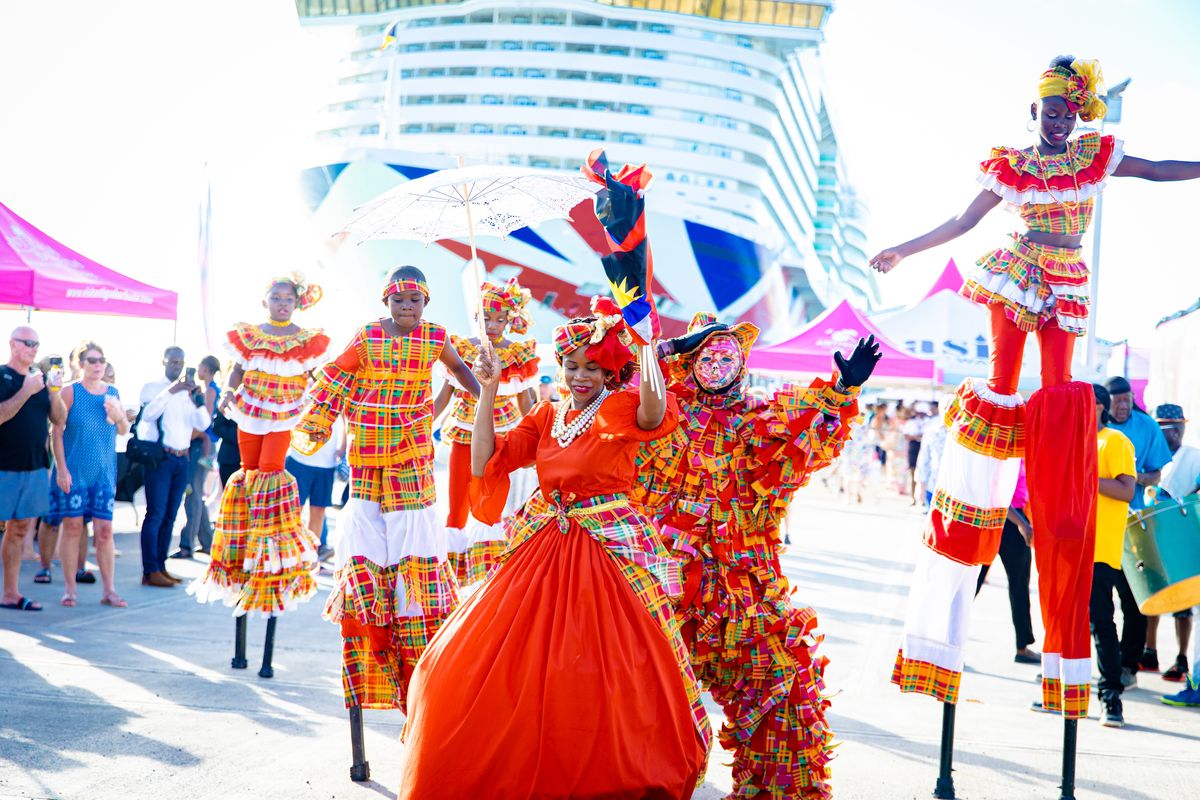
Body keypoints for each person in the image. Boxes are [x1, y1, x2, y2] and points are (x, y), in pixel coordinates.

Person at [873, 56, 1200, 719]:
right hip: (1019, 268)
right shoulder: (1011, 166)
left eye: (1065, 113)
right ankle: (990, 441)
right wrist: (904, 251)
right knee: (1000, 382)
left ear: (1076, 115)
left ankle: (1047, 455)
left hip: (1066, 275)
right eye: (1047, 112)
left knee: (1058, 389)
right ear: (1033, 113)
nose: (1055, 122)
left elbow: (1161, 170)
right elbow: (962, 224)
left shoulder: (1094, 157)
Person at [399, 299, 711, 799]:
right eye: (571, 366)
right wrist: (488, 389)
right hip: (543, 541)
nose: (580, 375)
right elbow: (489, 460)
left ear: (612, 370)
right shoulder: (548, 413)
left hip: (608, 548)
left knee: (598, 672)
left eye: (592, 367)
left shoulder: (622, 406)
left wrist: (648, 343)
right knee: (470, 661)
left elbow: (655, 412)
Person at [632, 312, 880, 799]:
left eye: (728, 355)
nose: (717, 364)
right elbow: (610, 375)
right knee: (635, 687)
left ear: (743, 364)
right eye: (706, 354)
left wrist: (841, 390)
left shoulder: (761, 416)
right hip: (665, 584)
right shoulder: (661, 411)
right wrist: (672, 345)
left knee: (782, 682)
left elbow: (813, 436)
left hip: (743, 589)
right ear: (690, 360)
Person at [292, 265, 479, 711]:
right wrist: (317, 424)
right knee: (368, 536)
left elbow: (462, 374)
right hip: (369, 447)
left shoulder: (437, 337)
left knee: (414, 535)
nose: (407, 308)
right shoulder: (367, 336)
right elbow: (335, 379)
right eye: (399, 301)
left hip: (413, 447)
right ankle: (371, 603)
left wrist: (485, 386)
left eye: (414, 300)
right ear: (386, 302)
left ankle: (413, 614)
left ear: (426, 303)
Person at [191, 273, 329, 677]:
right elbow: (236, 370)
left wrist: (322, 402)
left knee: (271, 471)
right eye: (276, 297)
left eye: (288, 298)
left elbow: (318, 376)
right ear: (265, 299)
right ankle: (243, 532)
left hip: (285, 411)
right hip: (250, 409)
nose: (282, 303)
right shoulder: (249, 335)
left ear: (297, 303)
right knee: (249, 473)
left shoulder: (306, 340)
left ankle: (272, 541)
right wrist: (231, 391)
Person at [432, 278, 538, 585]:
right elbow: (443, 397)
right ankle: (452, 580)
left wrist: (541, 440)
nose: (492, 325)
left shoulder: (519, 355)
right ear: (476, 318)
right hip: (463, 435)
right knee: (457, 505)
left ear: (510, 320)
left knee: (496, 505)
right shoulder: (463, 350)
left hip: (502, 440)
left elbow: (526, 404)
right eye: (486, 318)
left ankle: (492, 576)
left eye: (499, 319)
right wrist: (421, 426)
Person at [49, 341, 129, 608]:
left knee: (105, 531)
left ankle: (109, 590)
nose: (98, 365)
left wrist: (119, 416)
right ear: (79, 364)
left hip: (104, 473)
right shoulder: (71, 392)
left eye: (101, 360)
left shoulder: (112, 392)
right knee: (72, 528)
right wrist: (61, 468)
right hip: (75, 472)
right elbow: (56, 431)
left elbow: (122, 430)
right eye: (92, 360)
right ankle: (70, 589)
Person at [1103, 377, 1172, 675]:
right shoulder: (1099, 430)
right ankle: (1106, 659)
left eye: (1127, 401)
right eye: (1116, 402)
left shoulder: (1147, 426)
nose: (1122, 407)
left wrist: (1134, 479)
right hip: (1104, 524)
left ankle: (1129, 662)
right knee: (1102, 597)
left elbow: (1156, 473)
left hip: (1138, 524)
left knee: (1134, 598)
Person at [1, 327, 65, 611]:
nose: (33, 348)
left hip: (34, 467)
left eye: (37, 344)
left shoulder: (39, 382)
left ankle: (11, 593)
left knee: (19, 530)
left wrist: (54, 392)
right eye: (28, 343)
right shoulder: (5, 377)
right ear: (13, 345)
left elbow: (58, 420)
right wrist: (26, 391)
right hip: (4, 466)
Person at [138, 347, 211, 588]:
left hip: (182, 459)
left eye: (181, 362)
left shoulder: (187, 394)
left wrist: (198, 400)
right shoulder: (153, 388)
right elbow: (147, 415)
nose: (177, 366)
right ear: (164, 362)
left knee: (170, 516)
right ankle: (149, 569)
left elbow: (203, 423)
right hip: (161, 458)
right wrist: (171, 390)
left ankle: (160, 566)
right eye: (173, 361)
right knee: (156, 514)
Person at [1089, 384, 1138, 727]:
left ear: (1100, 407)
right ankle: (1063, 688)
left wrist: (1086, 476)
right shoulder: (1070, 441)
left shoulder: (1115, 441)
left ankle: (1111, 698)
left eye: (1084, 404)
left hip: (1100, 549)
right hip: (1066, 546)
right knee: (1066, 623)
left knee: (1101, 622)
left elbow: (1126, 490)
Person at [1145, 403, 1199, 682]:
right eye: (1168, 426)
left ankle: (1181, 659)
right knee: (1150, 593)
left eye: (1178, 425)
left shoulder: (1194, 458)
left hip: (1183, 539)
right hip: (1151, 537)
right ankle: (1149, 650)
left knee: (1183, 602)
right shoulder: (1148, 454)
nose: (1175, 432)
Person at [975, 461, 1039, 664]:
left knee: (1019, 585)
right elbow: (997, 495)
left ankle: (1022, 646)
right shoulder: (1005, 452)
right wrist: (1022, 524)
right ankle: (948, 639)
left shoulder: (1025, 451)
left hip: (1016, 518)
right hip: (1002, 520)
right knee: (972, 583)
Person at [174, 354, 220, 558]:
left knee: (192, 493)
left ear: (206, 369)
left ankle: (187, 544)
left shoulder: (210, 390)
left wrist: (185, 438)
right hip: (203, 445)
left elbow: (205, 421)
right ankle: (207, 540)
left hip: (202, 446)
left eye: (200, 366)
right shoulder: (208, 389)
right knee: (197, 493)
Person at [284, 415, 343, 562]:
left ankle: (310, 558)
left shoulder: (341, 393)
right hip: (299, 458)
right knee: (293, 511)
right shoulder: (307, 391)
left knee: (319, 511)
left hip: (327, 463)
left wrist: (342, 448)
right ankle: (289, 556)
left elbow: (346, 418)